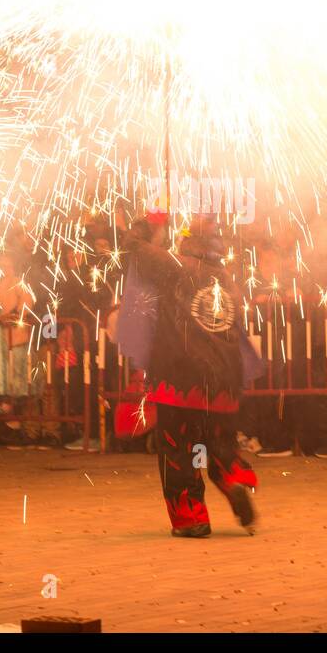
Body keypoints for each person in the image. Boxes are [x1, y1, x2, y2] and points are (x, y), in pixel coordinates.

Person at [123, 216, 260, 537]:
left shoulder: (176, 266)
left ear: (190, 241)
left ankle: (191, 518)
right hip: (223, 383)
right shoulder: (227, 279)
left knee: (178, 450)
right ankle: (234, 477)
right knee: (220, 446)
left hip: (181, 381)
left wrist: (150, 222)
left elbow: (132, 247)